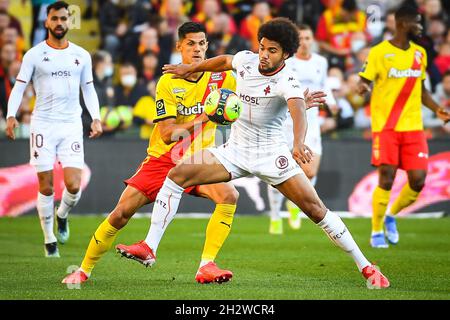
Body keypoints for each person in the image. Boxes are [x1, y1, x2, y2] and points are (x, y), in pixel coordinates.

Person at [118, 17, 390, 288]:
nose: (264, 55)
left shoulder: (288, 81)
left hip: (271, 156)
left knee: (317, 210)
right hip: (235, 150)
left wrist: (297, 143)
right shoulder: (247, 61)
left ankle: (366, 266)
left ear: (286, 54)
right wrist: (191, 66)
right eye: (262, 47)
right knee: (177, 175)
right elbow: (224, 60)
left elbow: (297, 111)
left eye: (272, 51)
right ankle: (149, 247)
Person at [62, 22, 240, 285]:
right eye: (191, 43)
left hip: (201, 158)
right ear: (179, 46)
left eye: (202, 44)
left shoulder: (224, 78)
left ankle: (206, 265)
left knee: (229, 195)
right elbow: (168, 134)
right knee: (121, 213)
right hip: (163, 158)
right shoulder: (168, 83)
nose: (198, 49)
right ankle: (84, 270)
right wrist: (204, 117)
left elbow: (243, 107)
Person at [5, 1, 102, 257]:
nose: (59, 23)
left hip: (71, 125)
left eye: (63, 19)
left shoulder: (81, 55)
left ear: (69, 22)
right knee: (46, 187)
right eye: (54, 19)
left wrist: (96, 117)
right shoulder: (34, 55)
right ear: (46, 22)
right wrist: (11, 115)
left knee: (73, 185)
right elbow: (19, 86)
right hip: (43, 125)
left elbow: (88, 89)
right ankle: (49, 240)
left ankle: (62, 215)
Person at [358, 5, 450, 248]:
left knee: (418, 181)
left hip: (413, 127)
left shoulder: (420, 53)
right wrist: (363, 88)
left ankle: (391, 215)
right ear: (401, 24)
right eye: (417, 23)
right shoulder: (379, 52)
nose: (421, 27)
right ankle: (376, 230)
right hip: (386, 126)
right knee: (386, 178)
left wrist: (438, 109)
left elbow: (421, 89)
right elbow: (364, 80)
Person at [266, 24, 337, 235]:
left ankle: (295, 205)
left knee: (310, 170)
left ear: (313, 39)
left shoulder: (321, 62)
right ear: (296, 42)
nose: (305, 42)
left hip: (311, 123)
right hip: (284, 124)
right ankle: (275, 216)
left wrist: (331, 101)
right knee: (276, 170)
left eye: (308, 37)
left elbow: (324, 86)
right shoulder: (287, 63)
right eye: (302, 38)